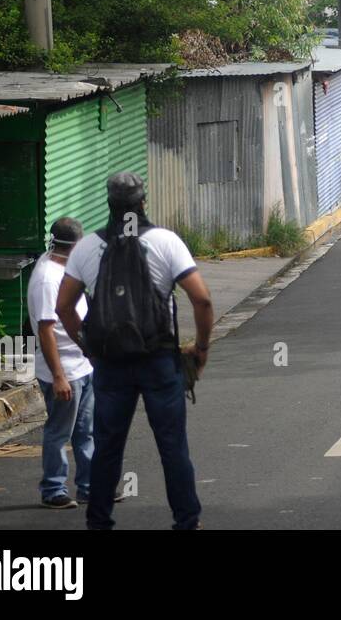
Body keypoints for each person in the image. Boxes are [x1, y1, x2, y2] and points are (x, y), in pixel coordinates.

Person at [56, 172, 215, 531]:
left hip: (110, 364)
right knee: (172, 446)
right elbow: (202, 299)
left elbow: (64, 307)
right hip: (159, 360)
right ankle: (186, 522)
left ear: (109, 205)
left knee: (108, 448)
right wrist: (201, 348)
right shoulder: (166, 242)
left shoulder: (86, 248)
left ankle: (99, 522)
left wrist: (88, 348)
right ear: (143, 203)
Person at [28, 218, 95, 510]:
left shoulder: (63, 265)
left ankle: (90, 487)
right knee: (59, 432)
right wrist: (58, 377)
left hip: (83, 365)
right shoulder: (46, 278)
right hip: (63, 371)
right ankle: (53, 489)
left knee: (87, 431)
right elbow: (45, 329)